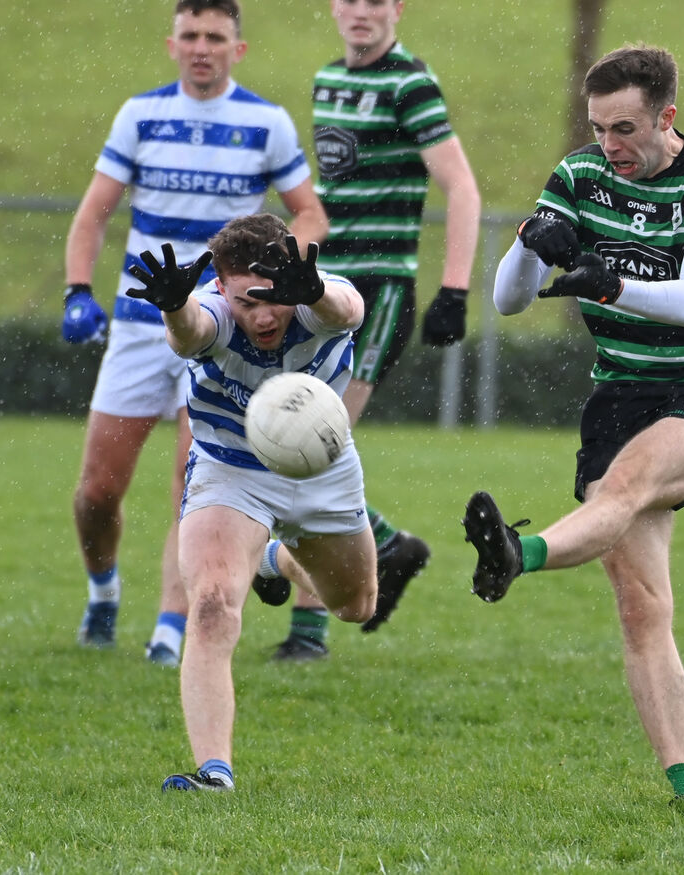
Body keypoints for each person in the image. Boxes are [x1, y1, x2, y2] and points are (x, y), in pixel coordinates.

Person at [462, 44, 684, 805]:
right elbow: (508, 302)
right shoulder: (581, 175)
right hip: (619, 394)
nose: (608, 145)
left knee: (626, 484)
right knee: (640, 607)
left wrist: (611, 283)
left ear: (667, 117)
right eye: (597, 128)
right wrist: (530, 244)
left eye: (624, 129)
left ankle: (519, 553)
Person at [60, 0, 328, 667]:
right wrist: (76, 289)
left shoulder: (265, 122)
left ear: (238, 49)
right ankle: (102, 590)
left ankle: (169, 628)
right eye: (191, 35)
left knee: (193, 482)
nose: (202, 47)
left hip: (221, 330)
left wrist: (284, 273)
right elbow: (94, 214)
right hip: (140, 325)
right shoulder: (140, 115)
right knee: (97, 492)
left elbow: (309, 213)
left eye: (215, 36)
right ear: (172, 44)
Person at [258, 0, 482, 661]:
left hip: (379, 293)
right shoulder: (329, 79)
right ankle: (385, 544)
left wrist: (454, 289)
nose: (361, 11)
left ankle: (309, 626)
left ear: (397, 9)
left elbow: (461, 187)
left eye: (375, 0)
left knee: (313, 447)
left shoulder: (410, 83)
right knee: (298, 448)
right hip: (320, 289)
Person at [123, 213, 375, 792]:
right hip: (229, 469)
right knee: (211, 605)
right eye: (245, 301)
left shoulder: (313, 296)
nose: (262, 316)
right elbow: (191, 333)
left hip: (321, 465)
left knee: (356, 605)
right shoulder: (213, 313)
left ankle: (271, 560)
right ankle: (215, 773)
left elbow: (347, 310)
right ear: (221, 287)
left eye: (271, 299)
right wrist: (174, 307)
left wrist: (312, 292)